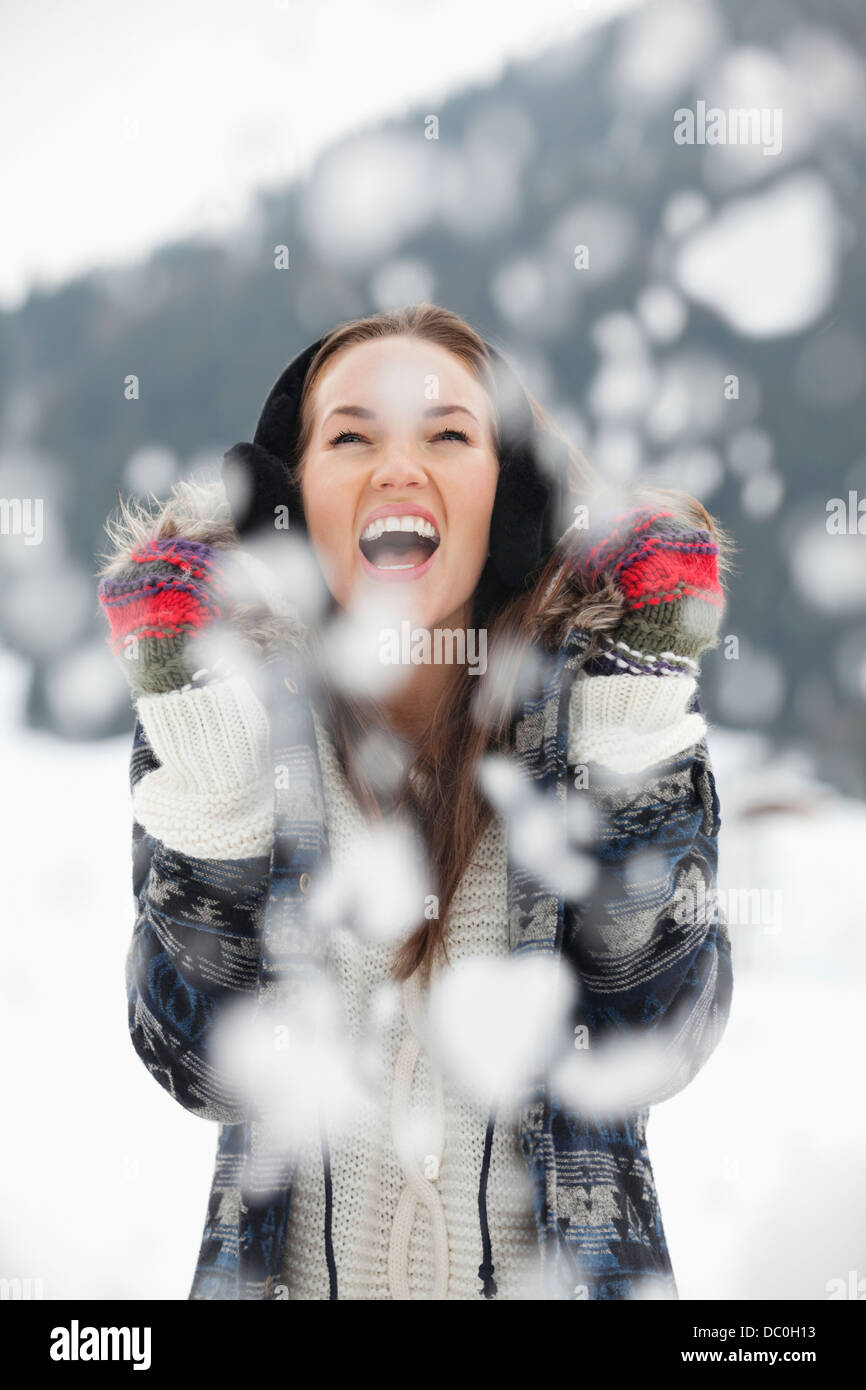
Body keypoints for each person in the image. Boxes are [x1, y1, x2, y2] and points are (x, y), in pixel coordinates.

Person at [96, 302, 733, 1301]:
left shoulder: (598, 720)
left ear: (510, 500)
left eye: (447, 434)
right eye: (351, 436)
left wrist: (632, 692)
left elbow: (656, 1030)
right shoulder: (234, 730)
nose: (399, 466)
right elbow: (199, 1064)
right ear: (290, 504)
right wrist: (194, 707)